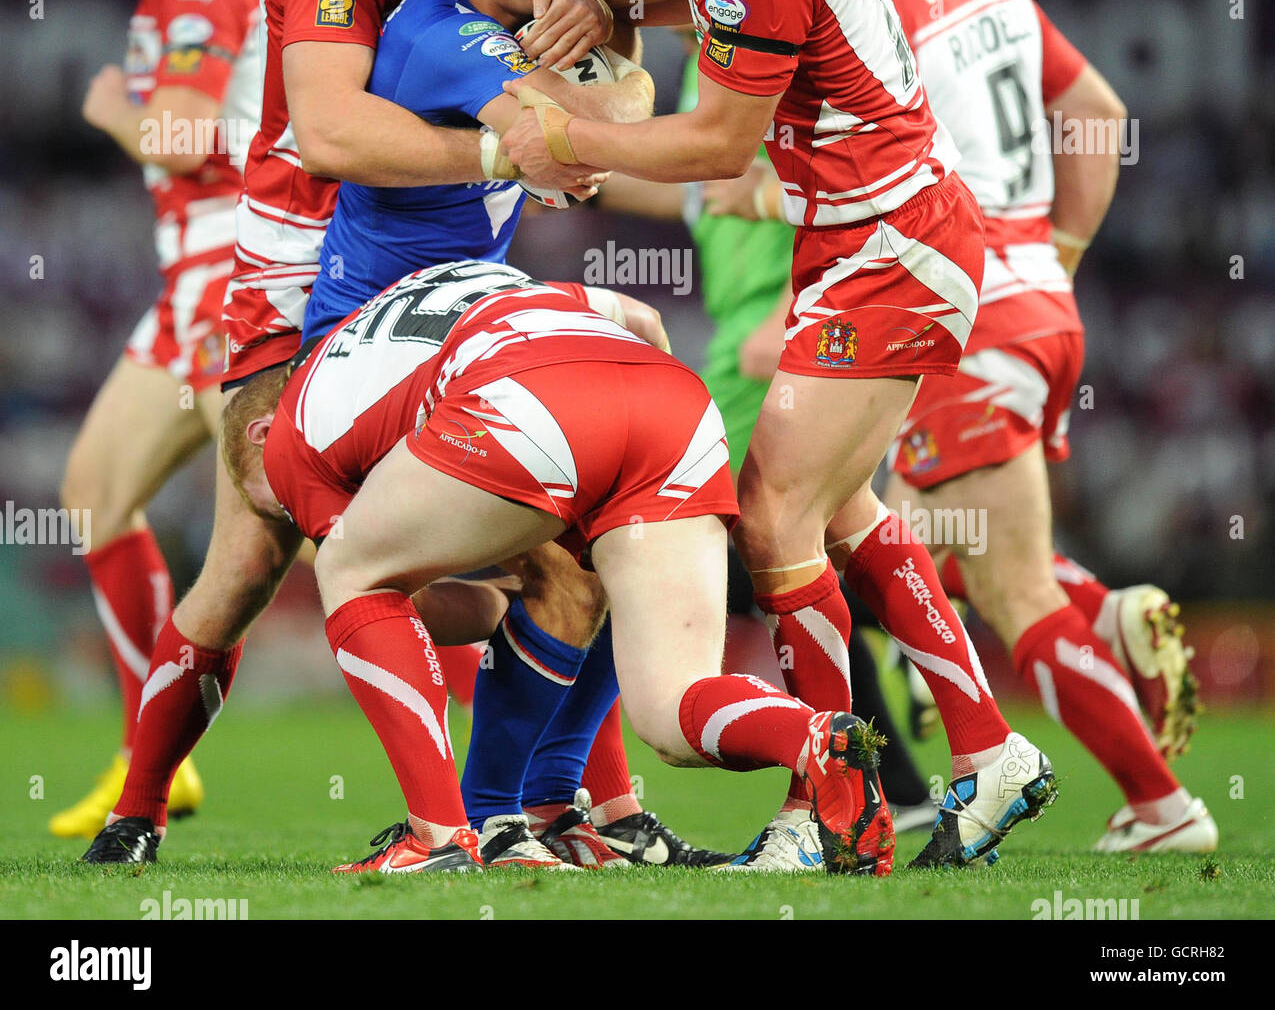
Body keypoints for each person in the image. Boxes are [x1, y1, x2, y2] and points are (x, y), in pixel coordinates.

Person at [501, 0, 1055, 869]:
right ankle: (986, 749)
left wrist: (565, 139)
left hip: (887, 243)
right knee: (845, 514)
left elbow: (712, 143)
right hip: (874, 231)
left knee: (772, 516)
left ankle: (825, 809)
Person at [80, 0, 625, 863]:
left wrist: (613, 27)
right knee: (266, 561)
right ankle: (145, 813)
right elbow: (327, 135)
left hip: (422, 287)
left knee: (561, 552)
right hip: (297, 288)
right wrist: (509, 145)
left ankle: (553, 812)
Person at [298, 0, 721, 868]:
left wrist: (603, 32)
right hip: (378, 363)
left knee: (585, 560)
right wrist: (608, 54)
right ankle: (466, 821)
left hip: (473, 339)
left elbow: (642, 37)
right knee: (412, 573)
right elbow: (581, 150)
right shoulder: (448, 32)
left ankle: (550, 815)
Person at [799, 0, 1211, 853]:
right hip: (1036, 300)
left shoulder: (868, 10)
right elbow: (1102, 112)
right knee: (910, 556)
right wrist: (1060, 251)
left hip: (962, 308)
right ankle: (1105, 617)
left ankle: (1164, 808)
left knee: (1008, 589)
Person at [246, 259, 894, 876]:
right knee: (670, 709)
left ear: (258, 432)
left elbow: (393, 602)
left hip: (523, 399)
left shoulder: (290, 436)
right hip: (669, 403)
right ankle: (816, 737)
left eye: (269, 507)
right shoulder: (438, 294)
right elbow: (640, 317)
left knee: (349, 573)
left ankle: (436, 838)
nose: (284, 522)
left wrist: (480, 611)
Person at [597, 31, 939, 869]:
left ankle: (874, 757)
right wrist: (573, 173)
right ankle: (893, 754)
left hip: (776, 350)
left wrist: (795, 310)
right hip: (735, 357)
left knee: (761, 555)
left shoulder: (766, 49)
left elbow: (813, 177)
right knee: (779, 560)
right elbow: (706, 193)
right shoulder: (698, 88)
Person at [52, 0, 264, 840]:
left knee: (332, 542)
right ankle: (156, 753)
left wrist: (104, 109)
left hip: (227, 281)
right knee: (94, 492)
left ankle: (526, 773)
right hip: (196, 286)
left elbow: (182, 136)